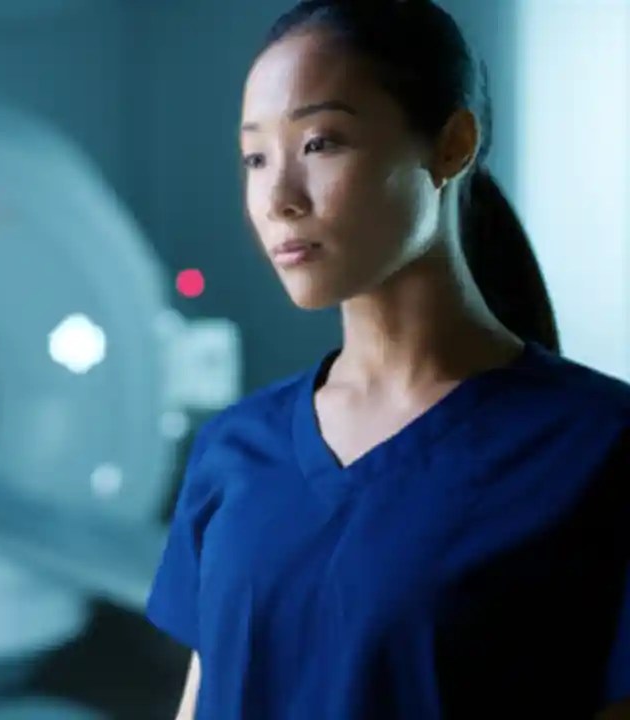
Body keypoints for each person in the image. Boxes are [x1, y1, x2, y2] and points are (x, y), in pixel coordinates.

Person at [144, 0, 630, 718]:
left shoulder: (597, 446)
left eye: (320, 143)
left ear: (451, 144)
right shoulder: (233, 449)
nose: (277, 198)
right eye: (255, 157)